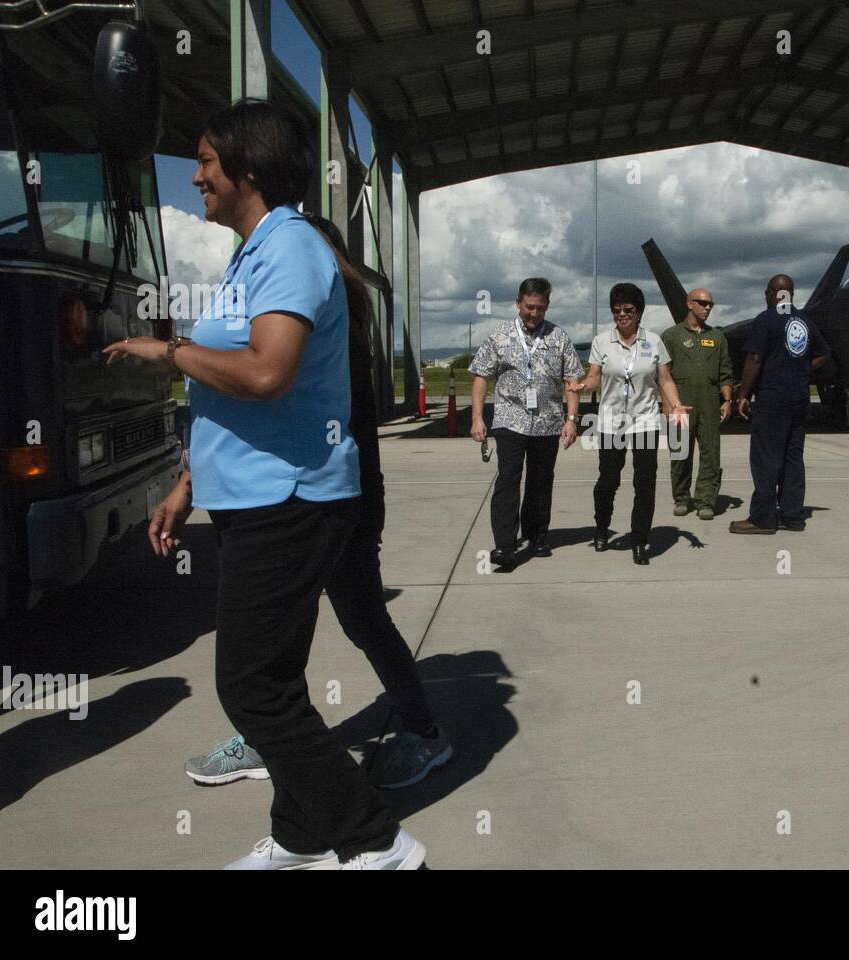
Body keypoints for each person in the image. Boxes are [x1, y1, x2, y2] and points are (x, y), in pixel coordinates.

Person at [104, 99, 422, 869]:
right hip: (256, 496)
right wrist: (186, 484)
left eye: (207, 162)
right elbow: (230, 395)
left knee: (252, 692)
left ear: (246, 169)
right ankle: (299, 837)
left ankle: (376, 841)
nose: (196, 175)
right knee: (275, 680)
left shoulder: (289, 249)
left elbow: (266, 372)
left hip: (290, 502)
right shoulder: (256, 252)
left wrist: (168, 352)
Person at [183, 214, 452, 794]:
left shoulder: (328, 323)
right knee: (289, 625)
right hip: (311, 492)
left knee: (361, 617)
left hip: (335, 494)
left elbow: (286, 398)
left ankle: (425, 732)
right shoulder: (316, 316)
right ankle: (271, 735)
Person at [567, 283, 690, 565]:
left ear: (639, 312)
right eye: (617, 310)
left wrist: (675, 404)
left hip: (644, 420)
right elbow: (596, 376)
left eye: (628, 310)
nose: (622, 315)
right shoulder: (601, 341)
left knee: (645, 482)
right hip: (612, 422)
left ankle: (639, 539)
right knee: (608, 480)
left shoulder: (654, 341)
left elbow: (665, 379)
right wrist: (583, 386)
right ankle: (601, 527)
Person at [470, 278, 583, 570]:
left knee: (540, 480)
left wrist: (571, 420)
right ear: (518, 303)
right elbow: (481, 376)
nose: (534, 313)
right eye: (529, 307)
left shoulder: (559, 338)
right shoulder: (500, 336)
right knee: (508, 480)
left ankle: (537, 536)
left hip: (547, 422)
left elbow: (572, 381)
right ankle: (505, 546)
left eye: (540, 308)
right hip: (510, 419)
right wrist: (477, 417)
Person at [729, 273, 829, 535]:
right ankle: (792, 516)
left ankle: (762, 519)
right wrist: (802, 370)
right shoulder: (805, 321)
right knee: (792, 457)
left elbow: (754, 359)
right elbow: (824, 353)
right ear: (791, 294)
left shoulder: (766, 319)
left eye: (767, 293)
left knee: (766, 458)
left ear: (772, 293)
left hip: (772, 398)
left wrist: (744, 394)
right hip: (799, 398)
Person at [659, 287, 732, 520]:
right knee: (680, 452)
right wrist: (666, 404)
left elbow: (725, 372)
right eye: (702, 302)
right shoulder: (670, 336)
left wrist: (727, 399)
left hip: (709, 402)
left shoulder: (717, 337)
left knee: (711, 453)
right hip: (681, 401)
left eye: (710, 303)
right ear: (689, 304)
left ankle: (705, 500)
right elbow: (662, 374)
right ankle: (681, 497)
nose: (707, 307)